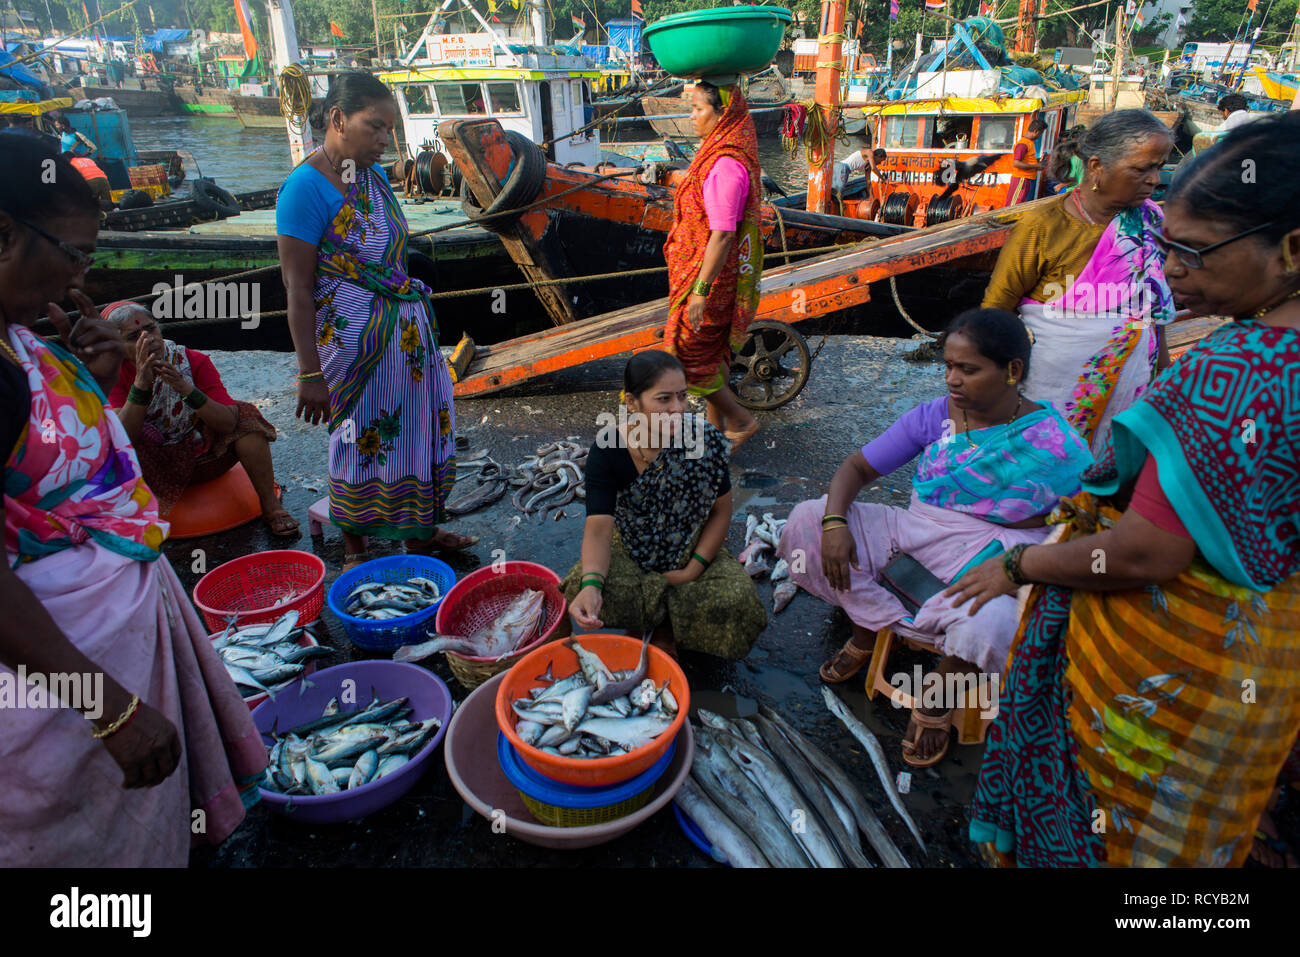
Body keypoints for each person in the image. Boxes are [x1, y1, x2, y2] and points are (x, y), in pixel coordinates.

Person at [951, 112, 1300, 867]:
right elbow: (999, 310)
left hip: (1170, 676)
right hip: (1261, 669)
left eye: (1194, 252)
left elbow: (1144, 553)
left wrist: (1020, 567)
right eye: (1170, 248)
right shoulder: (1049, 228)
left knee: (1122, 835)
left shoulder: (1234, 374)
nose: (1172, 269)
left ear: (1291, 250)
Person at [0, 137, 264, 866]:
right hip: (57, 701)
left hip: (104, 666)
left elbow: (69, 468)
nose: (84, 273)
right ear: (3, 235)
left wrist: (89, 373)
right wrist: (108, 708)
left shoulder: (22, 342)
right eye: (77, 255)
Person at [778, 309, 1093, 766]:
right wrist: (834, 524)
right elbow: (856, 468)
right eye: (947, 366)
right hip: (919, 533)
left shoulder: (1058, 445)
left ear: (1013, 371)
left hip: (995, 555)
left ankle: (937, 696)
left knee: (995, 625)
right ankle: (868, 629)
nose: (952, 380)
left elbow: (1086, 523)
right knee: (805, 520)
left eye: (968, 369)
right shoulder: (934, 419)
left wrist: (1023, 568)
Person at [276, 72, 476, 571]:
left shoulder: (374, 177)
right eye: (375, 127)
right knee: (359, 437)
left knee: (417, 430)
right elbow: (297, 290)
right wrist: (309, 374)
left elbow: (390, 259)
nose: (385, 140)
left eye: (390, 130)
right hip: (350, 345)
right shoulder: (303, 189)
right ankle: (355, 548)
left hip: (405, 339)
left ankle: (419, 533)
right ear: (338, 119)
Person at [982, 109, 1175, 455]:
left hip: (1131, 387)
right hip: (1049, 389)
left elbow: (1152, 309)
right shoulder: (1042, 226)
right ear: (1098, 166)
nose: (1154, 180)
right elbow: (996, 311)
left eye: (1158, 167)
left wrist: (1163, 376)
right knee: (1043, 475)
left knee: (1109, 484)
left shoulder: (1151, 220)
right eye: (1142, 168)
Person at [564, 351, 765, 659]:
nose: (677, 409)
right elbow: (599, 532)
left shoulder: (704, 440)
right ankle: (648, 619)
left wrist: (692, 570)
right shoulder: (608, 449)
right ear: (632, 403)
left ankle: (665, 625)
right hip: (633, 549)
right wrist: (592, 584)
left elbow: (721, 512)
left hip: (688, 545)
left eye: (683, 397)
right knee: (583, 583)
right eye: (663, 399)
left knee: (737, 600)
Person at [101, 301, 297, 535]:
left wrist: (184, 388)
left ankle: (270, 506)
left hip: (204, 456)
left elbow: (228, 422)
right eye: (134, 336)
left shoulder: (192, 361)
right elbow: (123, 439)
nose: (148, 339)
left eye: (151, 329)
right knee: (109, 442)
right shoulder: (110, 374)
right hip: (155, 467)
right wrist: (141, 384)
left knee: (246, 415)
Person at [662, 79, 763, 453]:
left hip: (711, 281)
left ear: (722, 115)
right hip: (709, 276)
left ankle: (741, 421)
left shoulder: (724, 166)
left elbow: (721, 235)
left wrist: (700, 292)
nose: (692, 118)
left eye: (698, 109)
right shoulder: (719, 155)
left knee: (690, 358)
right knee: (713, 356)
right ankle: (713, 433)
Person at [1004, 113, 1046, 205]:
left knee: (1018, 204)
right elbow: (1016, 163)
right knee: (1014, 205)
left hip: (1025, 180)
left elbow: (1027, 159)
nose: (1040, 136)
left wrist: (1037, 162)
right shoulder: (1023, 144)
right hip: (1021, 179)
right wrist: (1036, 167)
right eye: (1041, 133)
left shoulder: (1029, 142)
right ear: (1036, 131)